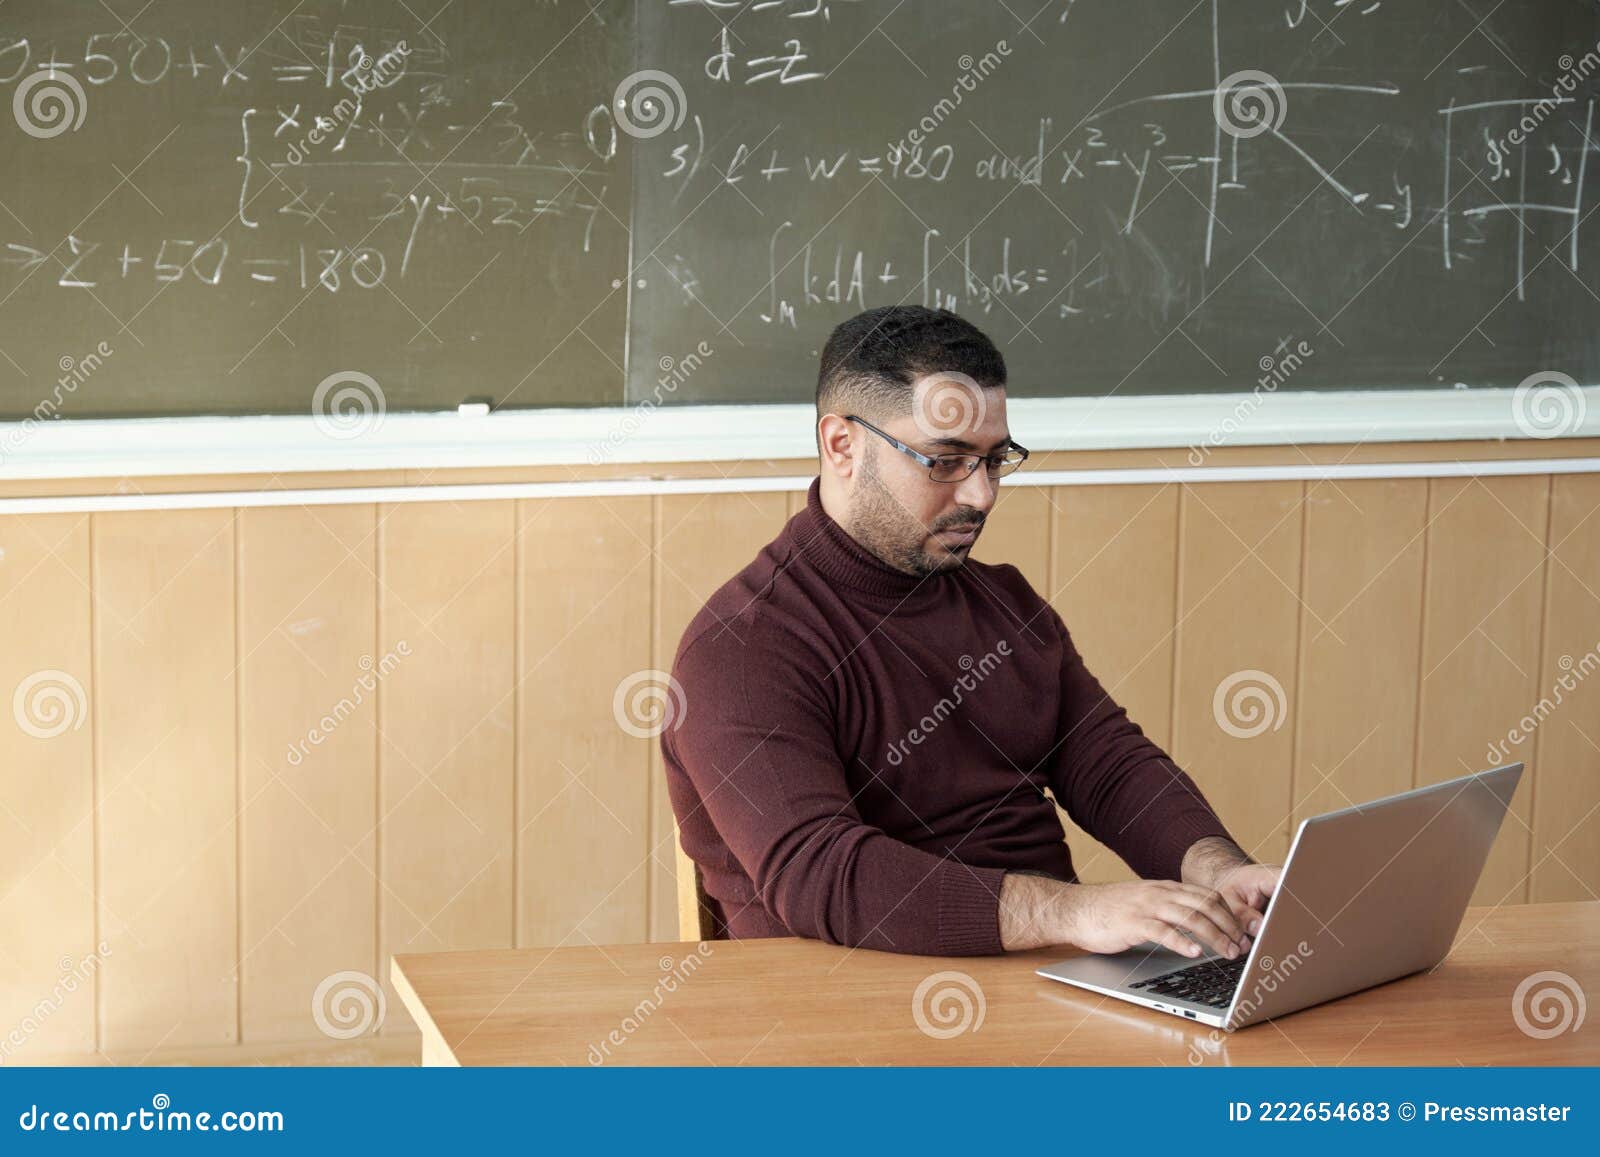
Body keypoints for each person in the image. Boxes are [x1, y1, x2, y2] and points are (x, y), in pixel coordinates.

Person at [661, 305, 1281, 957]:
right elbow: (825, 878)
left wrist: (1221, 871)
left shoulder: (1006, 603)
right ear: (843, 445)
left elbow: (1111, 766)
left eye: (995, 459)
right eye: (945, 461)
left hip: (1042, 992)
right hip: (844, 1019)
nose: (982, 494)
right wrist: (1073, 911)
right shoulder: (740, 646)